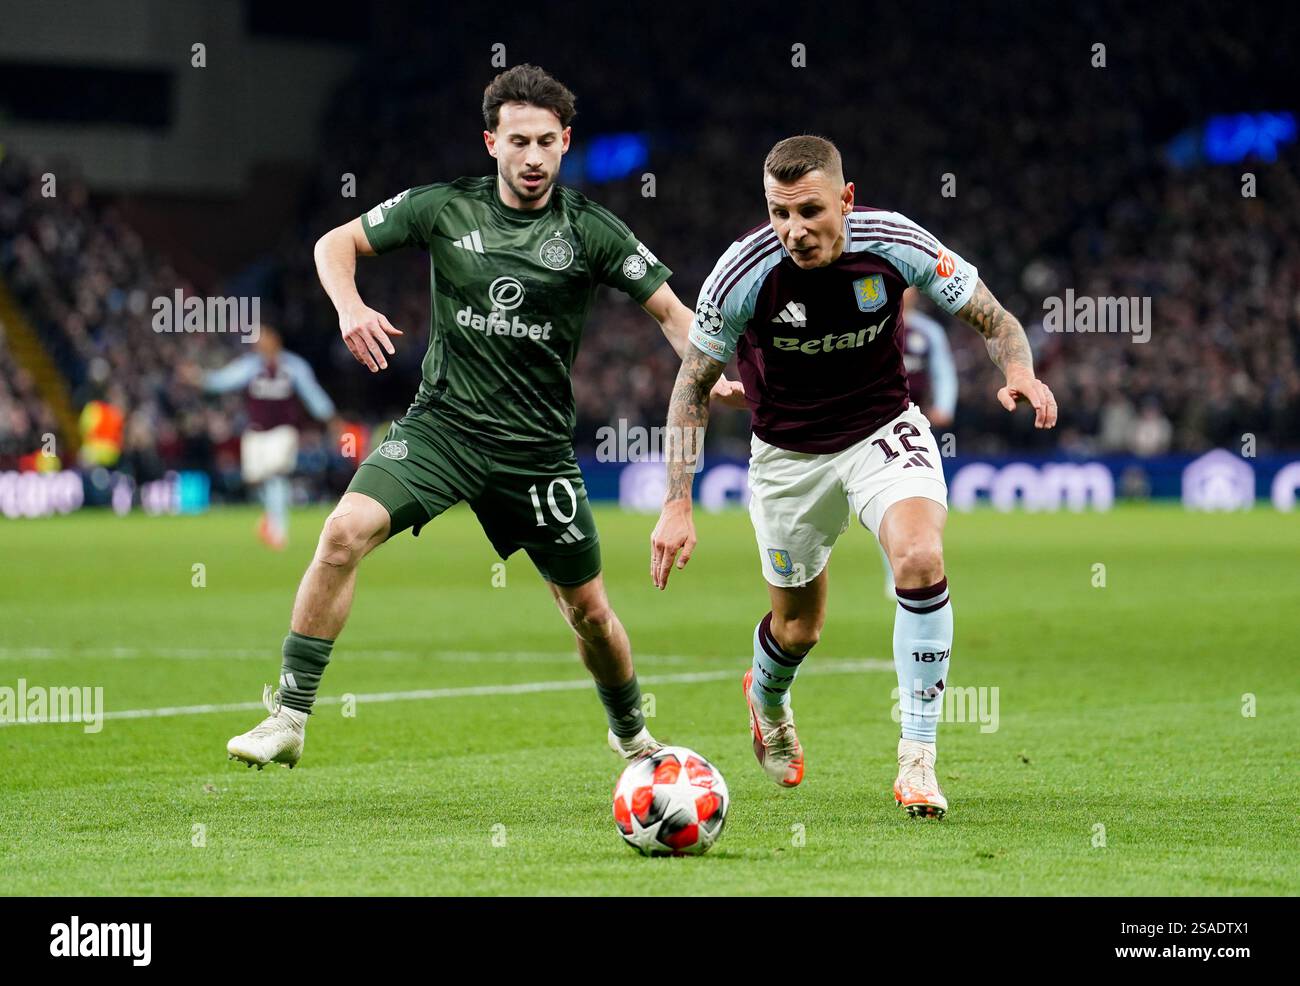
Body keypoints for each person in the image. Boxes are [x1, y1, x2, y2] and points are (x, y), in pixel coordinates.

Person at [226, 64, 742, 769]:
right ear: (490, 143)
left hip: (538, 454)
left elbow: (673, 315)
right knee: (343, 531)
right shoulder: (443, 208)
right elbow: (333, 243)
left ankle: (631, 734)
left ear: (565, 142)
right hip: (443, 429)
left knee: (588, 612)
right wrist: (350, 307)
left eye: (546, 142)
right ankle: (287, 716)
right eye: (518, 141)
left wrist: (707, 372)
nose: (533, 158)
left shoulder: (591, 231)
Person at [650, 135, 1057, 818]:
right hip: (786, 456)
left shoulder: (894, 242)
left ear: (846, 198)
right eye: (779, 213)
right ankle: (768, 698)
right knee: (800, 628)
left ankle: (918, 760)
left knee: (921, 556)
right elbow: (691, 388)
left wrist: (1018, 370)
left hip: (881, 431)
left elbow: (993, 317)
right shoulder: (741, 273)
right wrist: (676, 504)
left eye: (809, 211)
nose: (793, 231)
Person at [197, 326, 335, 549]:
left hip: (283, 431)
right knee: (254, 478)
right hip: (256, 432)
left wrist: (328, 415)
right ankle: (270, 517)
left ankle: (278, 529)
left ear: (275, 341)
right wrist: (201, 379)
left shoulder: (293, 365)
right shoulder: (251, 366)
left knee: (275, 474)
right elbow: (225, 379)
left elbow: (311, 392)